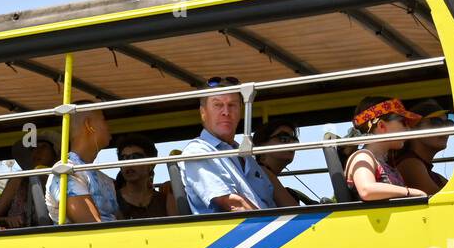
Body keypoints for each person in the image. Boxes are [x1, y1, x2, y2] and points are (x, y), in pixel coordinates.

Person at [182, 75, 277, 214]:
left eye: (232, 105)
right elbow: (235, 205)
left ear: (240, 111)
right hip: (242, 232)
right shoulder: (197, 151)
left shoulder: (244, 154)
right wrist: (272, 229)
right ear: (203, 113)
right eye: (218, 105)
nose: (226, 112)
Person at [345, 97, 431, 202]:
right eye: (403, 123)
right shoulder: (363, 157)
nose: (408, 129)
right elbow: (366, 190)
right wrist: (409, 192)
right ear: (381, 126)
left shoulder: (384, 164)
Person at [44, 108, 120, 223]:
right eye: (104, 120)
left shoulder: (104, 178)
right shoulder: (66, 170)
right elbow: (91, 226)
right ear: (89, 125)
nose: (109, 127)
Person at [391, 99, 453, 196]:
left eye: (448, 123)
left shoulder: (431, 173)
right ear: (413, 128)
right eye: (436, 122)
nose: (445, 128)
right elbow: (441, 200)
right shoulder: (410, 164)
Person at [251, 120, 317, 207]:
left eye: (294, 141)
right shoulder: (260, 173)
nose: (291, 144)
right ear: (261, 145)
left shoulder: (262, 172)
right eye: (284, 139)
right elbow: (295, 211)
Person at [113, 133, 175, 220]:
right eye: (123, 158)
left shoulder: (165, 200)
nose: (128, 163)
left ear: (151, 164)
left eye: (135, 157)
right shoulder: (112, 200)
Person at [5, 136, 59, 227]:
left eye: (43, 147)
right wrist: (8, 220)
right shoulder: (19, 179)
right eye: (34, 148)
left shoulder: (62, 180)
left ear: (55, 154)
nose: (37, 151)